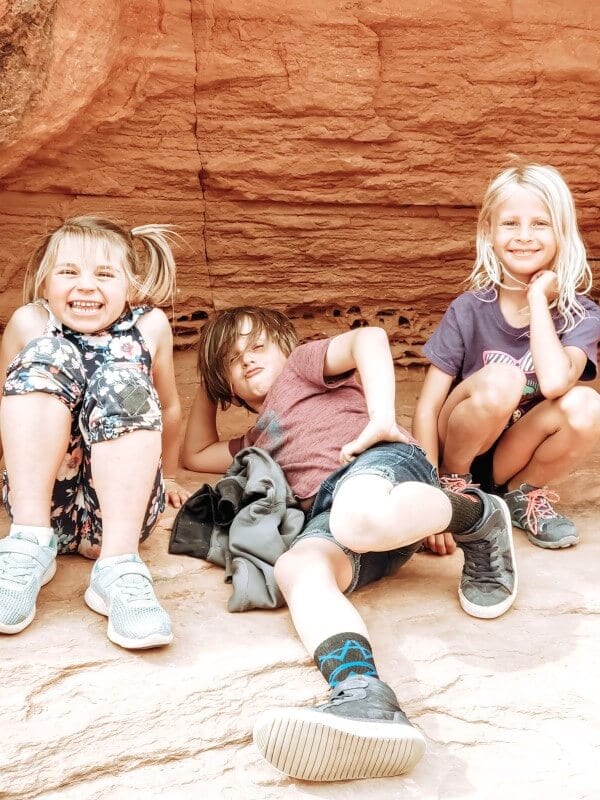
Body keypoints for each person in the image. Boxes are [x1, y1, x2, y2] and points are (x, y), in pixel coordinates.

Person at [183, 306, 517, 782]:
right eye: (233, 361)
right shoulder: (254, 439)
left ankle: (477, 515)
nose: (249, 361)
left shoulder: (302, 366)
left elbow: (371, 339)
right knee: (295, 569)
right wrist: (208, 376)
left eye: (257, 346)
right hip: (334, 513)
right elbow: (193, 454)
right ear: (226, 385)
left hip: (379, 460)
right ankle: (364, 698)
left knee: (358, 518)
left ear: (286, 346)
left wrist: (381, 419)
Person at [0, 215, 189, 649]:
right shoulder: (31, 322)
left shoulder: (149, 326)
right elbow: (9, 404)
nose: (86, 286)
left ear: (131, 286)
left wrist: (173, 473)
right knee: (46, 355)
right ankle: (28, 547)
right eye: (69, 272)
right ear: (45, 281)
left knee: (123, 381)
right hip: (42, 505)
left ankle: (118, 569)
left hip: (119, 517)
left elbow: (170, 405)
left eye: (104, 274)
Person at [413, 163, 600, 557]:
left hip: (510, 455)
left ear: (562, 233)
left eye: (540, 224)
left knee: (588, 405)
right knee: (505, 379)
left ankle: (521, 496)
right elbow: (428, 407)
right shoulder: (469, 309)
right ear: (489, 233)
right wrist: (428, 492)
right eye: (511, 223)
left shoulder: (582, 315)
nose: (524, 237)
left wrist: (537, 300)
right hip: (460, 446)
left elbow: (552, 384)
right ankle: (454, 486)